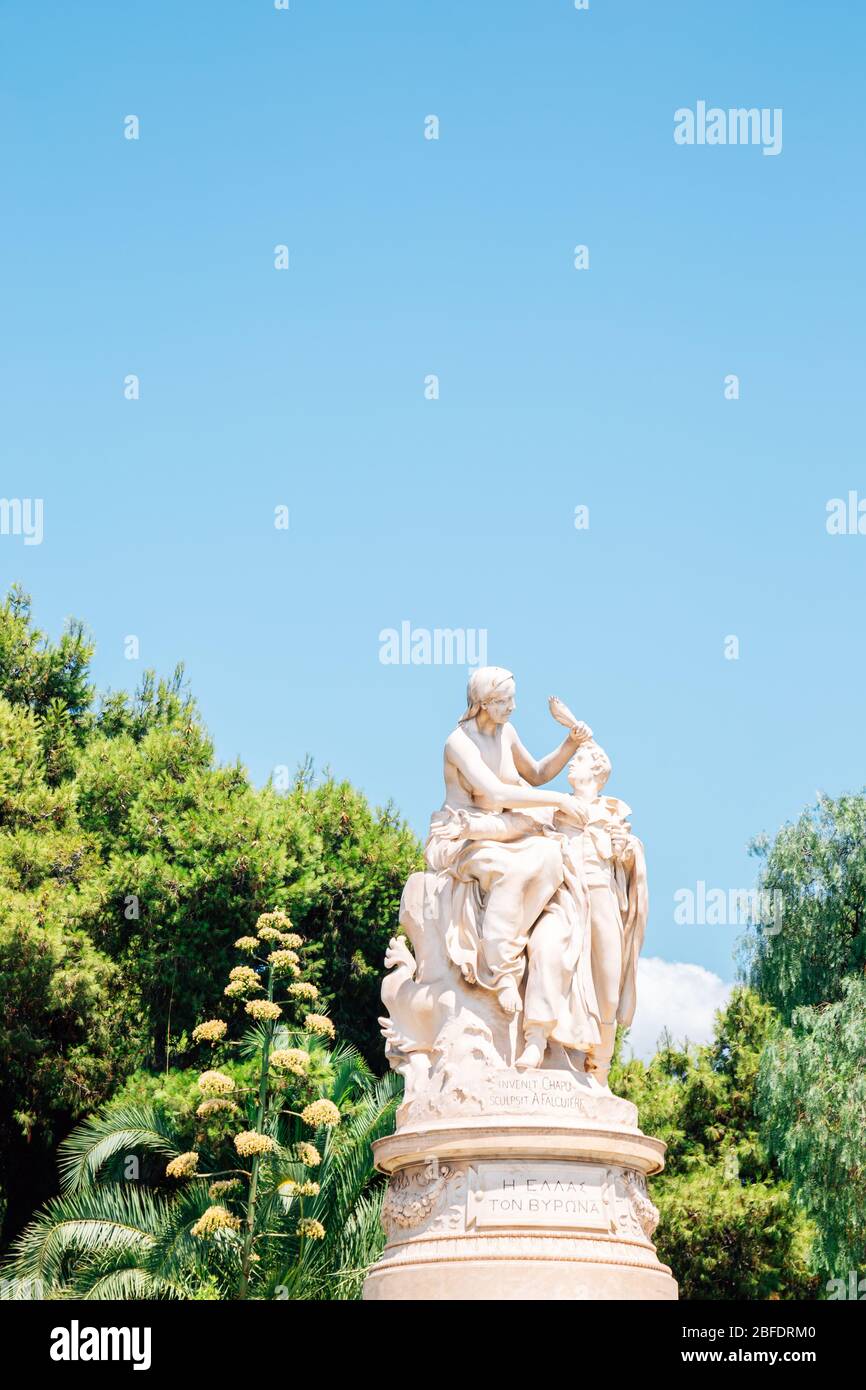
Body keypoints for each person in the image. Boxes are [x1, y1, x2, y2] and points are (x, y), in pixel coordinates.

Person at [425, 666, 590, 1017]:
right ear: (483, 703)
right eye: (504, 701)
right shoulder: (459, 743)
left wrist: (570, 743)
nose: (512, 707)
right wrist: (558, 801)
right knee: (507, 869)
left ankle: (531, 956)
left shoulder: (506, 732)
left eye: (513, 699)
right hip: (463, 833)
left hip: (505, 827)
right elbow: (498, 791)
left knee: (549, 856)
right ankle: (501, 970)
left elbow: (536, 775)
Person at [516, 738, 648, 1086]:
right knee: (544, 947)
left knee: (608, 984)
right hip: (563, 895)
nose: (571, 765)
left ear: (597, 770)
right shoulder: (553, 809)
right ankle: (536, 1039)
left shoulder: (613, 815)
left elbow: (630, 859)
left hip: (602, 897)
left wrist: (627, 851)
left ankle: (599, 1067)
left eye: (580, 760)